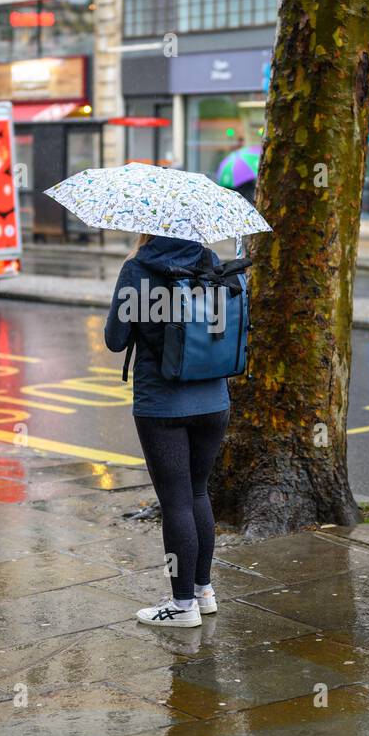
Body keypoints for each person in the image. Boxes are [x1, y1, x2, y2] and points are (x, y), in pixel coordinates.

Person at [105, 233, 231, 628]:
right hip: (214, 399)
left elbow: (115, 339)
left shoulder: (138, 269)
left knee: (175, 502)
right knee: (198, 492)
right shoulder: (210, 261)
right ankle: (203, 592)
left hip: (162, 404)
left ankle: (181, 606)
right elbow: (219, 327)